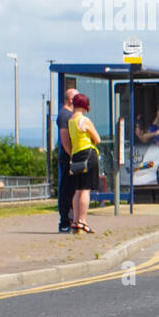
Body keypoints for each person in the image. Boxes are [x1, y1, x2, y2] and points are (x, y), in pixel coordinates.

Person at [68, 93, 101, 234]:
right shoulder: (84, 120)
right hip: (88, 155)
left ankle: (75, 220)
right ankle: (83, 221)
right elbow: (97, 139)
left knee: (77, 190)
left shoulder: (70, 121)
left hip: (76, 156)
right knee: (85, 189)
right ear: (85, 106)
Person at [56, 88, 76, 232]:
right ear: (70, 99)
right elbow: (64, 139)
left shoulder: (70, 114)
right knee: (67, 189)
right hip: (67, 157)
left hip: (72, 156)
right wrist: (71, 155)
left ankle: (71, 219)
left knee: (73, 189)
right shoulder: (64, 115)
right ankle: (64, 221)